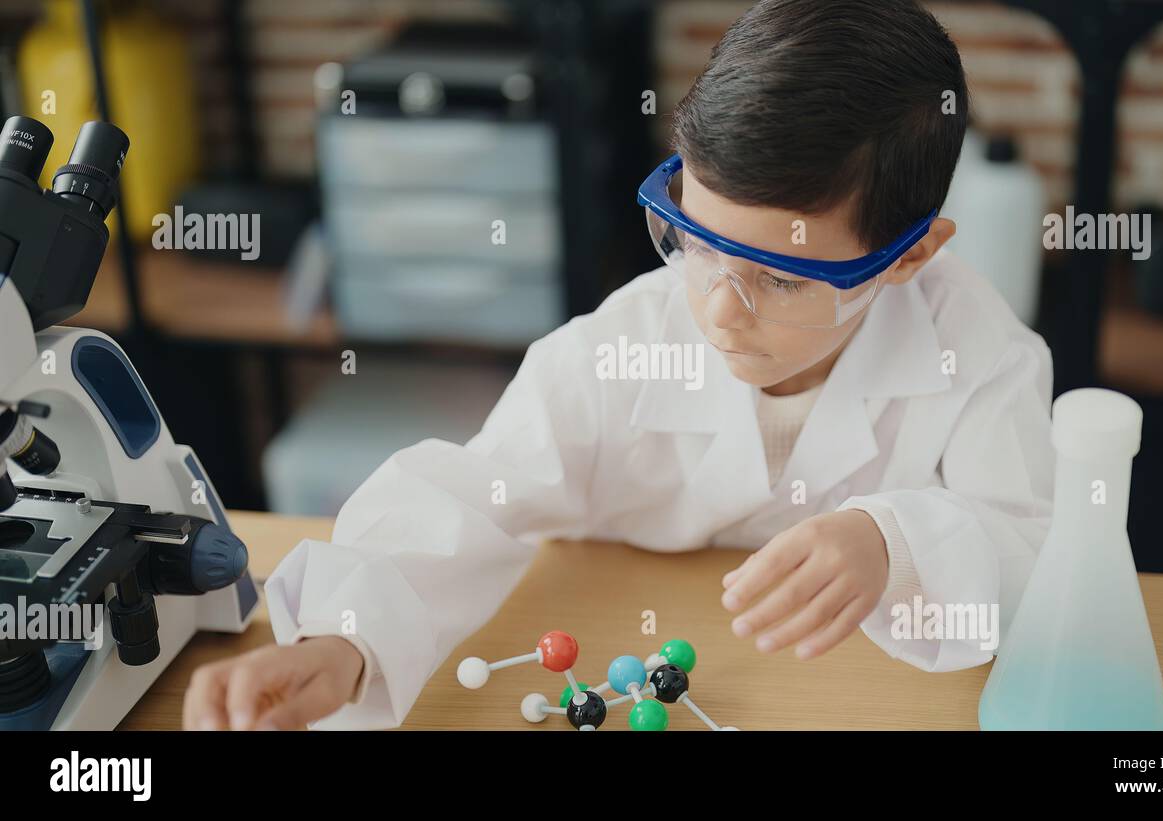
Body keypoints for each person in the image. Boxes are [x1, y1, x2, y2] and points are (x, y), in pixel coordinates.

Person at [183, 0, 1054, 730]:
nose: (716, 308)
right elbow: (471, 493)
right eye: (698, 241)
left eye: (782, 279)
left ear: (909, 257)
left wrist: (894, 547)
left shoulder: (980, 355)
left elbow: (1036, 553)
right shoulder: (628, 346)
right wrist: (346, 638)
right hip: (625, 628)